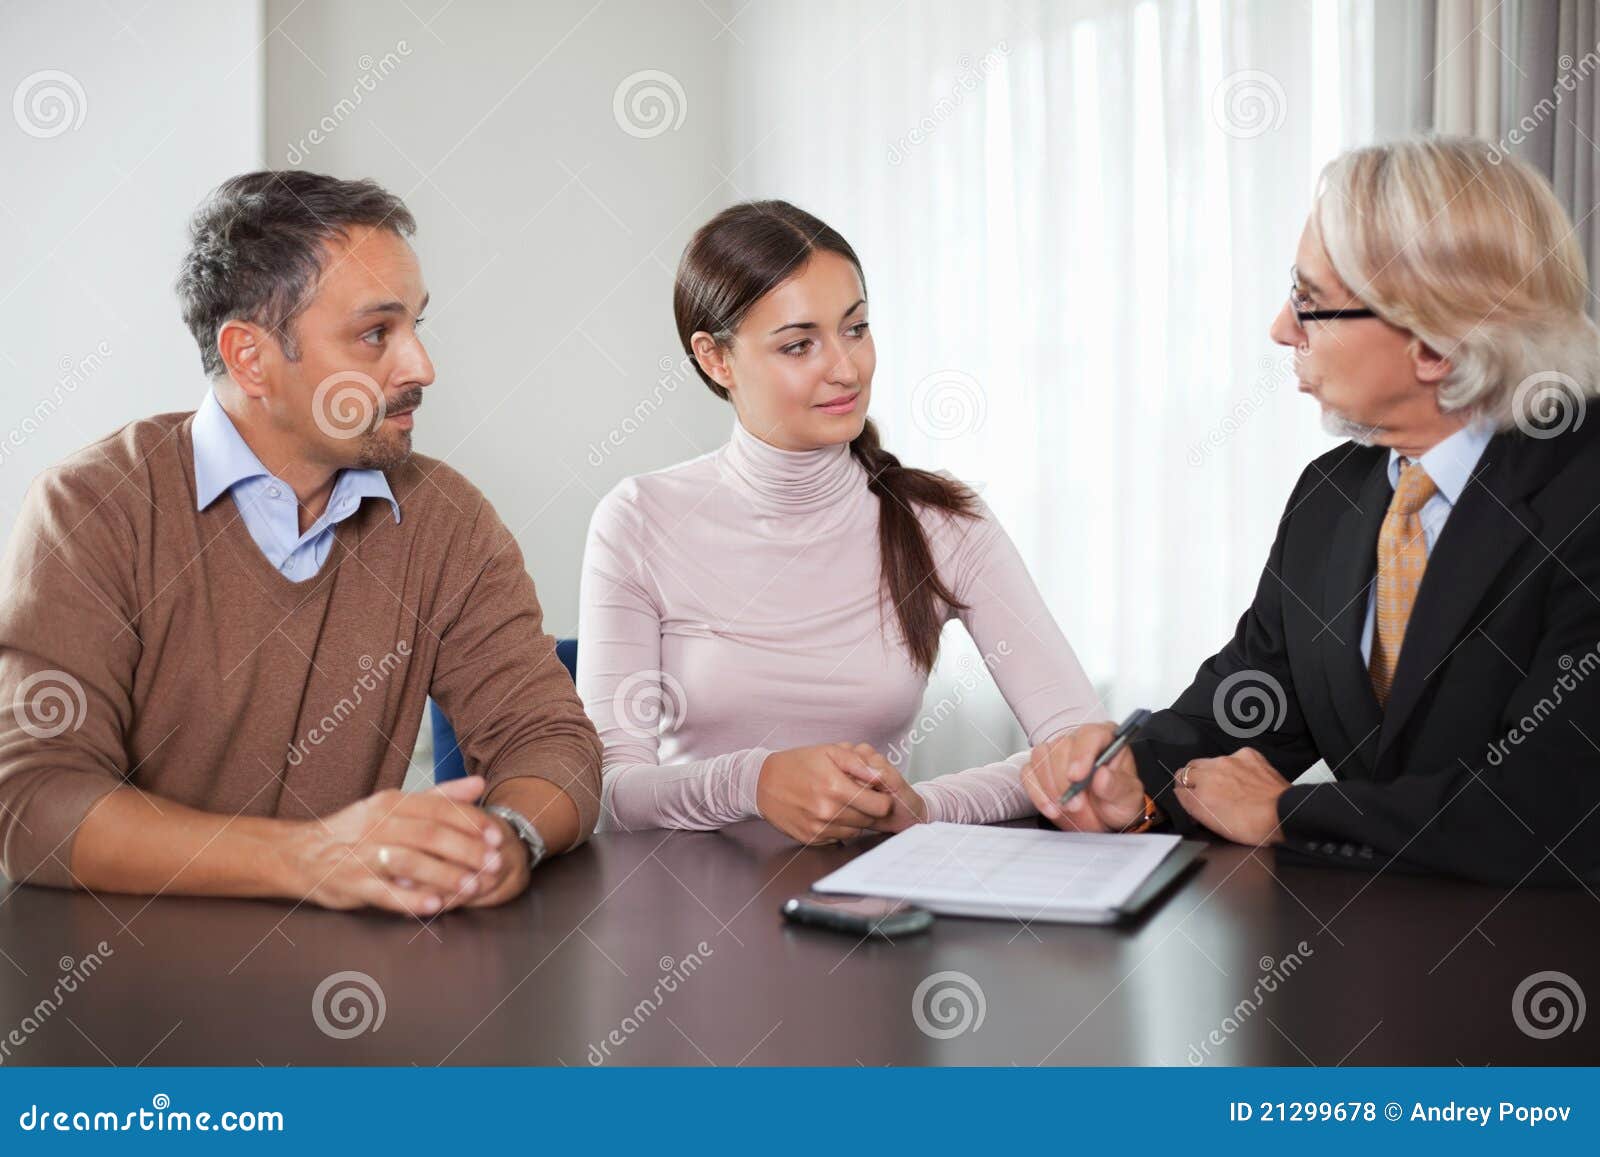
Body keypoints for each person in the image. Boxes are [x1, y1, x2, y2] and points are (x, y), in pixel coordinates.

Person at [0, 171, 601, 912]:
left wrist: (507, 836)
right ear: (250, 357)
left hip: (350, 993)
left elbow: (551, 741)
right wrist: (311, 858)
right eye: (377, 333)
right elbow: (36, 803)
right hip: (128, 990)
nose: (421, 366)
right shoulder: (93, 507)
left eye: (416, 325)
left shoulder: (447, 519)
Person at [1023, 137, 1600, 884]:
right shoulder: (1332, 495)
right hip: (1357, 961)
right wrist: (1131, 770)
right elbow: (1250, 705)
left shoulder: (1581, 491)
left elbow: (1555, 804)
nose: (1280, 330)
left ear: (1432, 342)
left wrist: (1289, 812)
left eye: (1308, 302)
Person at [578, 200, 1107, 844]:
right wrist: (755, 783)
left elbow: (1079, 747)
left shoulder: (943, 523)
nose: (846, 368)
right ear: (715, 359)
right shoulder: (638, 519)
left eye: (855, 329)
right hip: (692, 909)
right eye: (800, 345)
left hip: (871, 900)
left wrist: (921, 806)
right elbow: (613, 788)